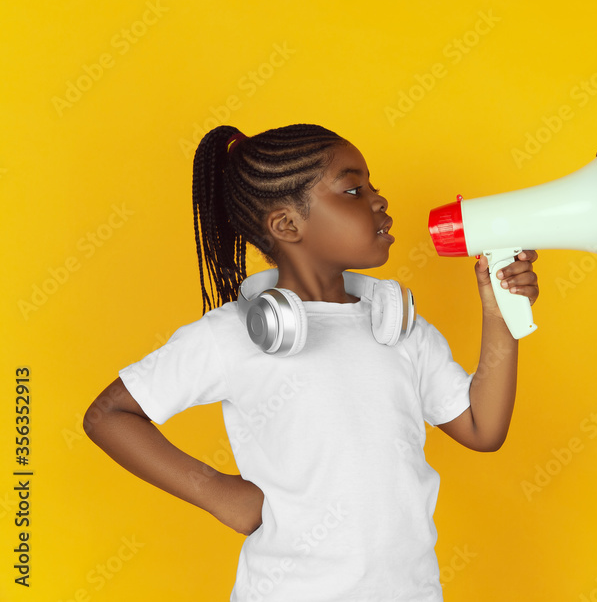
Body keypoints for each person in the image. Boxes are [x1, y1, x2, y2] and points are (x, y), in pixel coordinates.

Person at [83, 123, 539, 601]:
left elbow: (483, 429)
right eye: (354, 189)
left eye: (373, 187)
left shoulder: (400, 329)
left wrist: (498, 311)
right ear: (286, 225)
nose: (380, 200)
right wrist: (218, 492)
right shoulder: (235, 335)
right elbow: (108, 416)